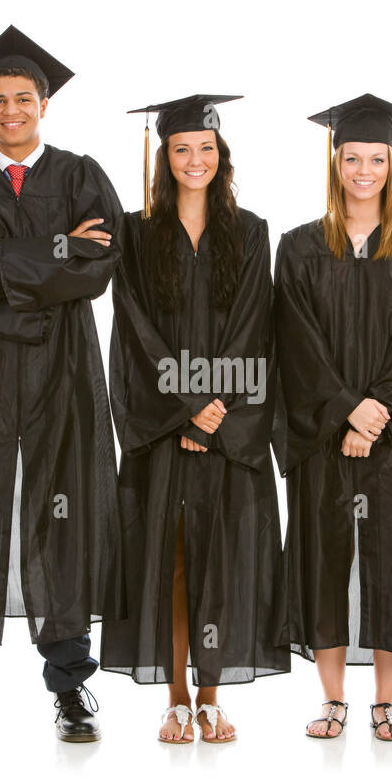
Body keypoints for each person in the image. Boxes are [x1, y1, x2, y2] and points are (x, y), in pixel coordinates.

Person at [0, 25, 122, 745]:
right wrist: (45, 274)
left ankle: (71, 685)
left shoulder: (80, 175)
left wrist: (1, 252)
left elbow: (98, 268)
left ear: (45, 104)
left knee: (58, 514)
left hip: (63, 368)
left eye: (23, 98)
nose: (10, 111)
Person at [103, 95, 288, 743]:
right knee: (173, 560)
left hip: (230, 428)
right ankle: (177, 695)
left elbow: (254, 331)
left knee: (223, 559)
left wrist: (216, 414)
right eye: (182, 148)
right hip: (163, 429)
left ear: (222, 155)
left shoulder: (252, 230)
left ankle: (212, 694)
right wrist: (184, 410)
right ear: (164, 157)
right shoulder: (135, 233)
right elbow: (133, 330)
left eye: (206, 148)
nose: (195, 159)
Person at [274, 94, 392, 742]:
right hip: (322, 436)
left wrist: (373, 417)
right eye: (354, 157)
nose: (365, 170)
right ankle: (331, 699)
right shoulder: (297, 249)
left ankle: (385, 701)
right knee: (323, 561)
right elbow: (295, 343)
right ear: (335, 160)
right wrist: (346, 411)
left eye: (377, 158)